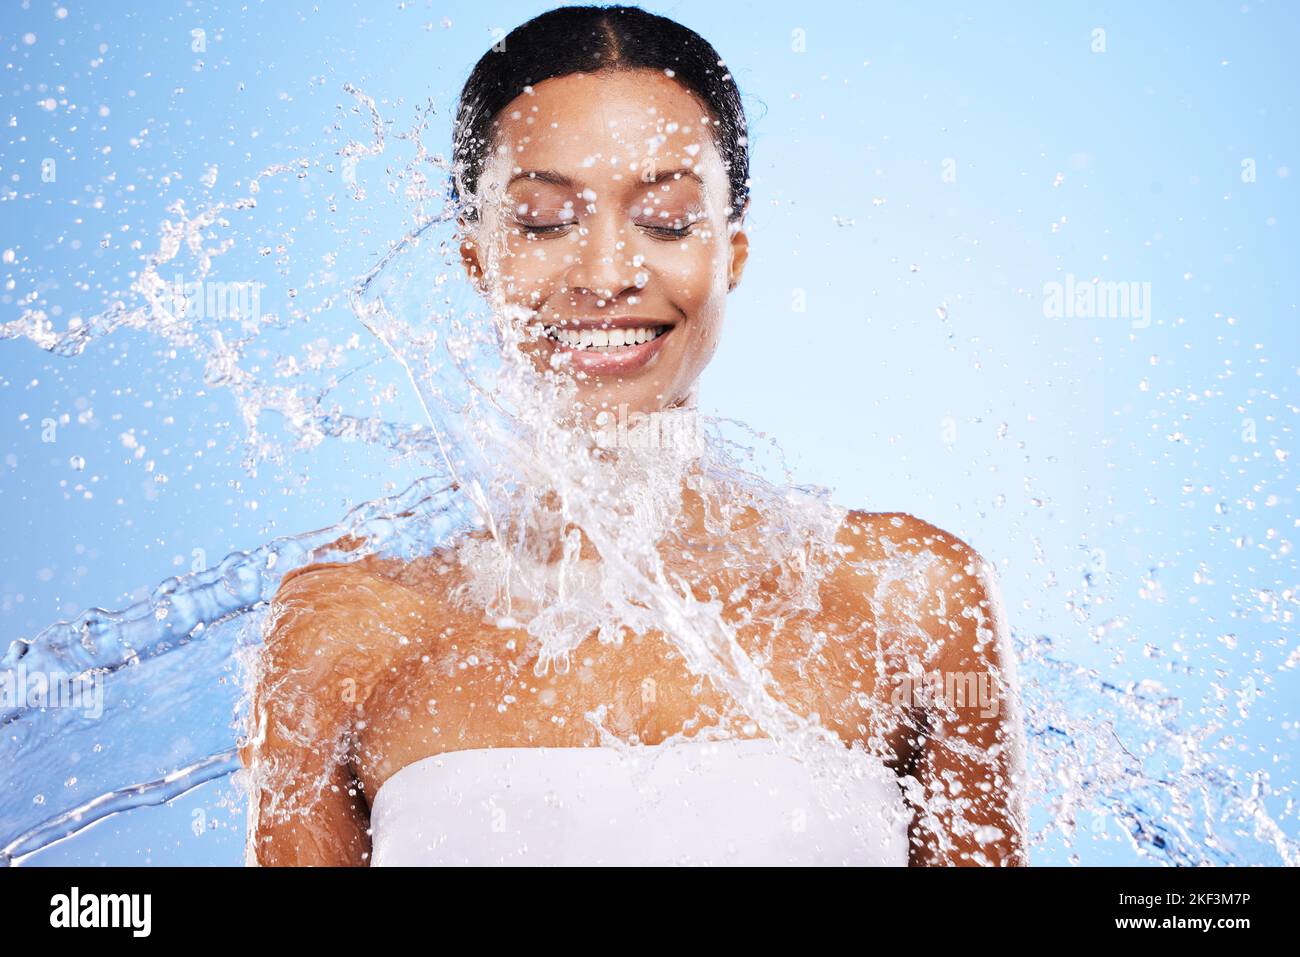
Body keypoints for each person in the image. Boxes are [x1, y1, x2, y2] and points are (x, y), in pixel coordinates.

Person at [239, 4, 1029, 867]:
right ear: (476, 255)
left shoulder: (911, 599)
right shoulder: (343, 634)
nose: (608, 275)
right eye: (543, 222)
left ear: (732, 249)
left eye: (666, 219)